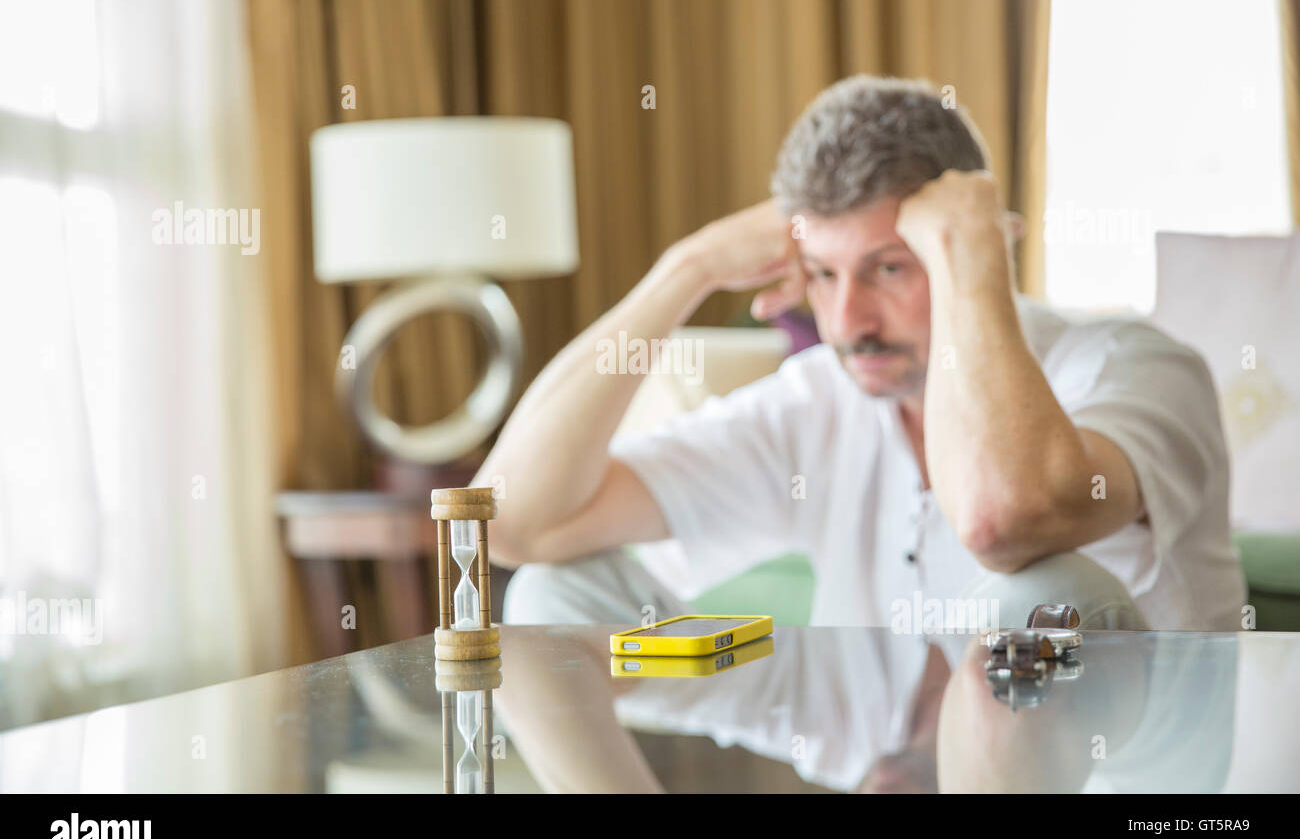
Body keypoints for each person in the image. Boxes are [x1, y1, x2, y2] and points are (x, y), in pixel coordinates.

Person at [474, 74, 1245, 633]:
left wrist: (972, 258)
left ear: (977, 244)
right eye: (822, 274)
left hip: (1131, 797)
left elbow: (1001, 519)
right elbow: (510, 526)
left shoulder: (1135, 368)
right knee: (547, 594)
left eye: (888, 268)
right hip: (879, 759)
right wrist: (688, 268)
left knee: (1032, 599)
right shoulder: (817, 402)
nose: (848, 321)